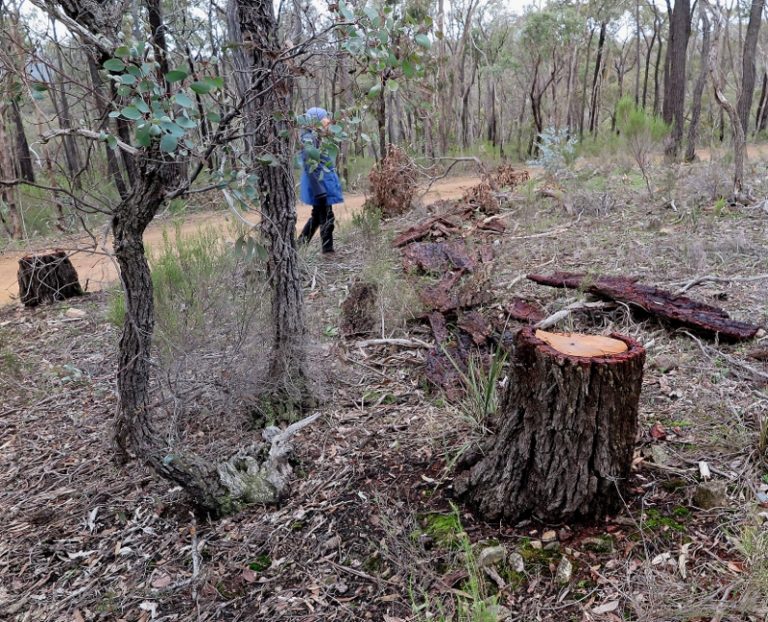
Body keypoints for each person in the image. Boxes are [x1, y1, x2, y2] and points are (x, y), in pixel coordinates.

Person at [297, 107, 344, 254]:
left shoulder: (317, 137)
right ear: (316, 120)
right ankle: (328, 250)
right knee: (326, 217)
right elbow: (308, 165)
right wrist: (319, 191)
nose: (328, 120)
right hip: (319, 188)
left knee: (317, 217)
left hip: (322, 187)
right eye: (325, 117)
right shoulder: (308, 139)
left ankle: (298, 247)